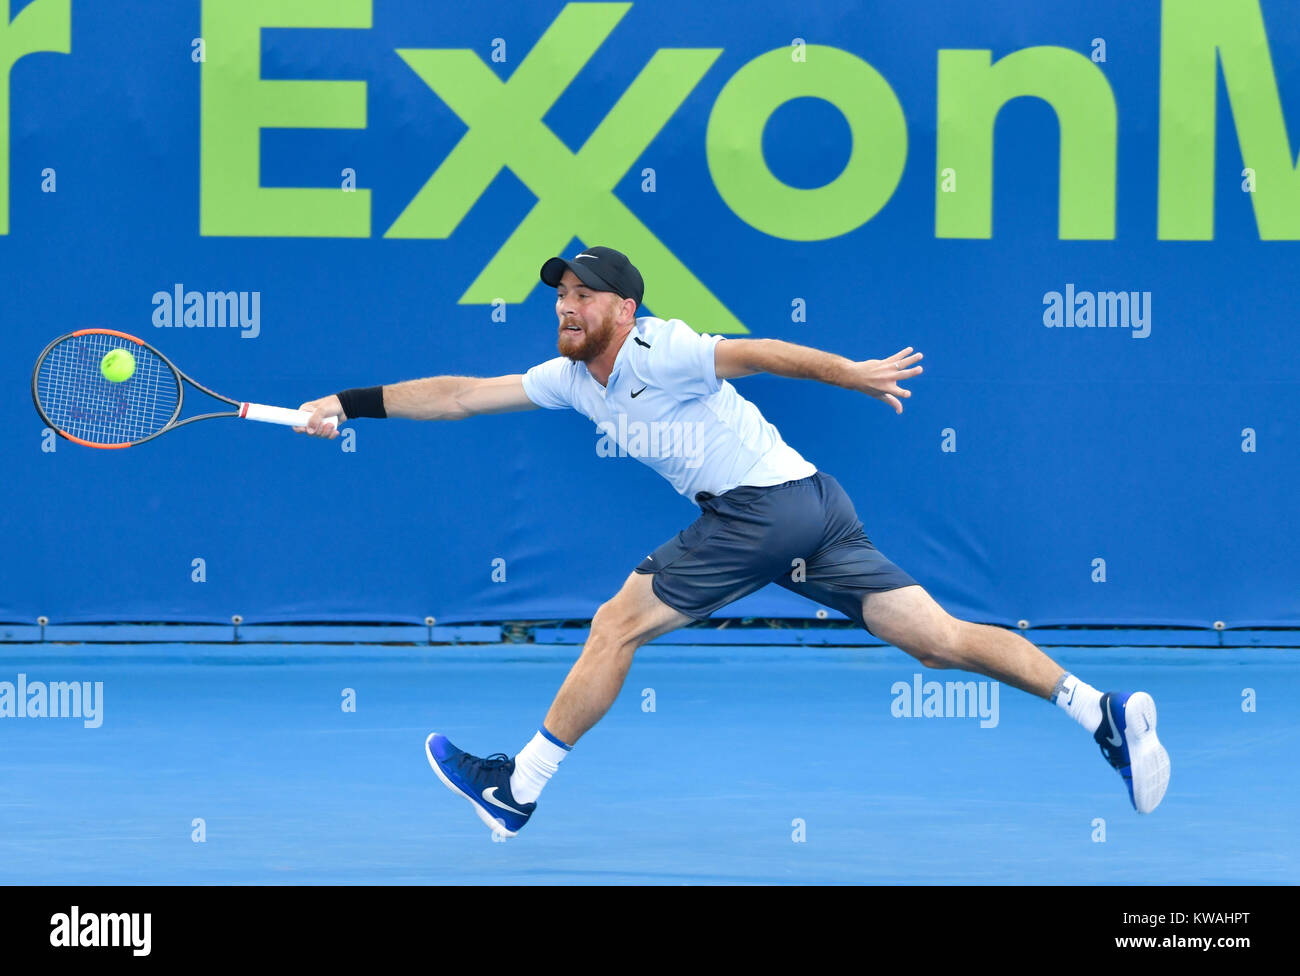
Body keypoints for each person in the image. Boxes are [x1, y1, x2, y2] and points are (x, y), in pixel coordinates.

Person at [297, 246, 1171, 838]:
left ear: (623, 307)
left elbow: (762, 353)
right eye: (559, 295)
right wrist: (350, 402)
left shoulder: (660, 349)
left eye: (581, 295)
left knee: (614, 625)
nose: (565, 306)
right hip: (811, 507)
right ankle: (1102, 711)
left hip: (761, 508)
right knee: (936, 642)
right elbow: (456, 394)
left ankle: (518, 789)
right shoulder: (569, 380)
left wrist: (854, 374)